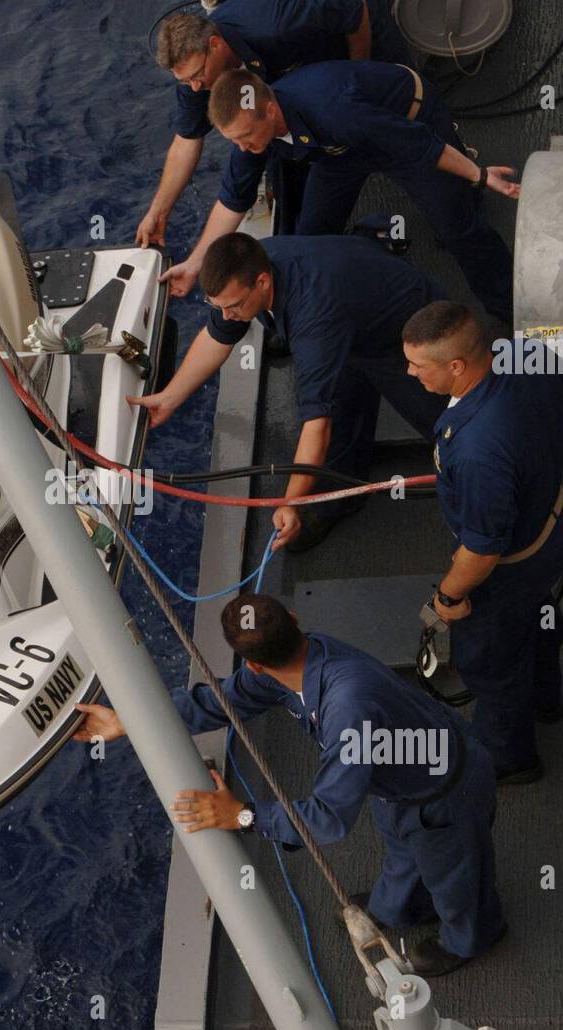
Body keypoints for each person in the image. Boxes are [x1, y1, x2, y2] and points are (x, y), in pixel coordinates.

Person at [74, 593, 505, 977]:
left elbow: (328, 818)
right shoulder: (289, 663)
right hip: (397, 782)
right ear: (295, 619)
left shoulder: (347, 706)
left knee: (455, 874)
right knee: (404, 852)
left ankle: (469, 939)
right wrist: (125, 720)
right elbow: (218, 703)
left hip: (445, 792)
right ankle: (404, 905)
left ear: (253, 661)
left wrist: (242, 815)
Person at [128, 231, 448, 551]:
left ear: (263, 283)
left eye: (234, 307)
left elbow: (316, 424)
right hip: (347, 328)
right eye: (218, 306)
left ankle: (479, 493)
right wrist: (169, 398)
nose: (227, 316)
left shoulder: (313, 323)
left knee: (447, 426)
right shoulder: (248, 268)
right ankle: (337, 501)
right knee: (343, 417)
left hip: (401, 332)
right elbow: (217, 335)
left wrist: (289, 504)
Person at [166, 64, 517, 325]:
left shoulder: (335, 110)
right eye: (234, 141)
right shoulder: (250, 138)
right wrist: (195, 264)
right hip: (338, 153)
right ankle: (306, 319)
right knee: (310, 236)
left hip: (401, 125)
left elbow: (420, 144)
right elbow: (232, 200)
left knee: (459, 229)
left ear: (270, 111)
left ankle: (513, 311)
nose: (243, 147)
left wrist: (480, 175)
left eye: (245, 136)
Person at [403, 301, 563, 785]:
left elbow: (482, 549)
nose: (408, 373)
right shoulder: (525, 356)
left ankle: (511, 760)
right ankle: (547, 700)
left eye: (417, 365)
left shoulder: (476, 448)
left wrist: (447, 597)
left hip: (510, 568)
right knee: (540, 622)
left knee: (489, 663)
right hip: (549, 528)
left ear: (457, 365)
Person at [138, 0, 416, 248]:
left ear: (215, 44)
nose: (195, 87)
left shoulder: (273, 25)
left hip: (356, 33)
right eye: (186, 81)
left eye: (197, 75)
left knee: (405, 137)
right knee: (306, 208)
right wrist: (158, 213)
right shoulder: (195, 78)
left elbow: (354, 7)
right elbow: (187, 139)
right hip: (312, 94)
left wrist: (360, 76)